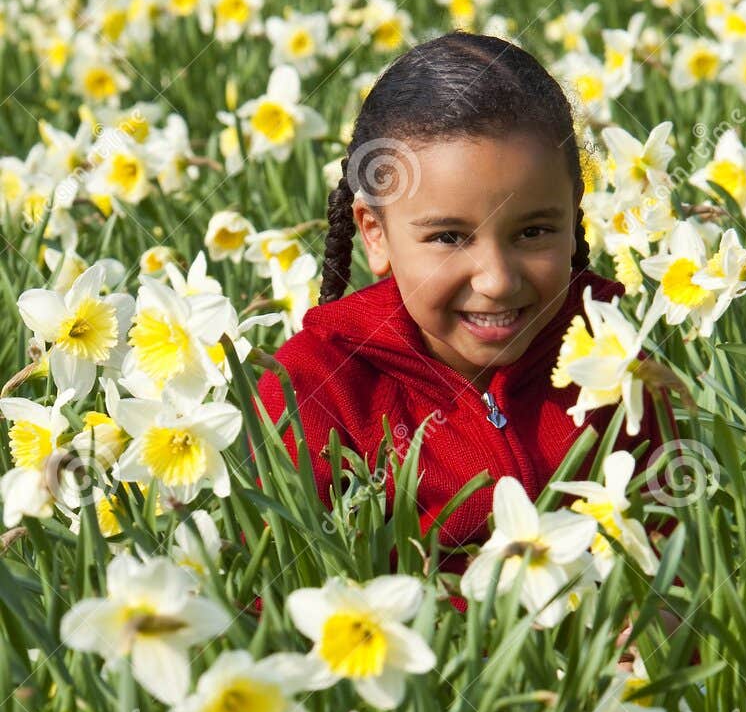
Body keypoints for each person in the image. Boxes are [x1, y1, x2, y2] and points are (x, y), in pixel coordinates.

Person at [255, 30, 666, 547]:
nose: (496, 280)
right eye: (449, 237)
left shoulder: (615, 356)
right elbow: (272, 600)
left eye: (533, 232)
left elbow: (671, 552)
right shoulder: (314, 390)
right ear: (375, 234)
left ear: (574, 213)